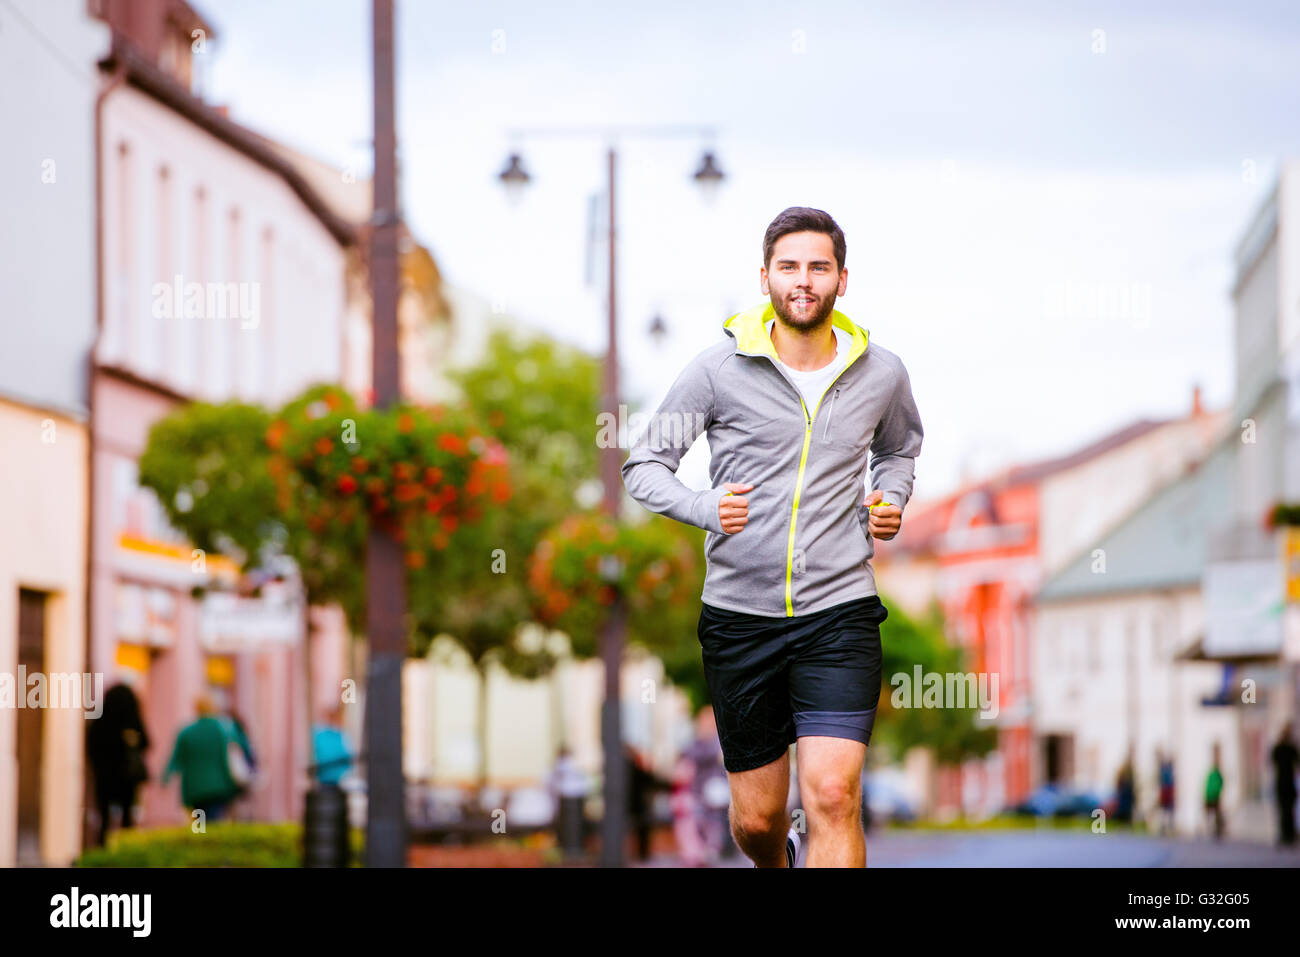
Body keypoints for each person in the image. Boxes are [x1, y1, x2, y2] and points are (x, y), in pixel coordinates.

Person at [622, 207, 923, 867]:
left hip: (838, 614)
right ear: (765, 278)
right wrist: (704, 506)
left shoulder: (882, 373)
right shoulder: (717, 370)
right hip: (739, 618)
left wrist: (891, 498)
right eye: (789, 266)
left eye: (819, 266)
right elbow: (643, 466)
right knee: (757, 819)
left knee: (834, 793)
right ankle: (776, 858)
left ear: (842, 279)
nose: (803, 280)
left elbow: (900, 450)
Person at [161, 694, 246, 823]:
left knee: (199, 824)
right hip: (219, 786)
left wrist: (165, 778)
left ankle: (199, 840)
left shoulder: (187, 732)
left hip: (194, 789)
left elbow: (175, 759)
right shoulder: (224, 729)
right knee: (214, 822)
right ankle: (210, 841)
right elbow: (238, 750)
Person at [85, 682, 151, 846]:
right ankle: (125, 853)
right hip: (126, 778)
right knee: (127, 817)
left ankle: (103, 852)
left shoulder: (99, 722)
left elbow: (91, 749)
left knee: (104, 819)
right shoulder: (132, 723)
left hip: (104, 778)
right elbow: (146, 743)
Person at [548, 745, 590, 860]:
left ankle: (571, 850)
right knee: (572, 826)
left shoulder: (562, 765)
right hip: (574, 797)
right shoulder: (572, 764)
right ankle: (573, 849)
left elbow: (551, 783)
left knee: (570, 826)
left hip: (567, 797)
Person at [1270, 721, 1299, 848]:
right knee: (1285, 810)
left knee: (1287, 810)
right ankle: (1286, 835)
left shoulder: (1283, 748)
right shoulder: (1285, 748)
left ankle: (1288, 835)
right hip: (1284, 783)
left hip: (1285, 783)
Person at [310, 704, 354, 787]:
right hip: (323, 779)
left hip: (338, 780)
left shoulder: (340, 735)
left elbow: (348, 757)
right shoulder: (319, 734)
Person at [1204, 742, 1224, 841]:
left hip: (1214, 795)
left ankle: (1217, 830)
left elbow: (1221, 783)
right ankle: (1210, 829)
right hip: (1210, 795)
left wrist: (1219, 791)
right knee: (1210, 813)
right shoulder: (1212, 772)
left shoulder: (1217, 773)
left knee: (1216, 813)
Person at [1156, 748, 1176, 836]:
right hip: (1165, 790)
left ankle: (1170, 826)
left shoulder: (1170, 768)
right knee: (1164, 809)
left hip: (1169, 790)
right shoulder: (1163, 768)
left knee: (1170, 809)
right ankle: (1163, 826)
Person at [1114, 750, 1136, 826]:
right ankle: (1123, 823)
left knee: (1126, 811)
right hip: (1124, 801)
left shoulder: (1129, 784)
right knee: (1124, 811)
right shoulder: (1123, 786)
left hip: (1127, 800)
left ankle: (1126, 823)